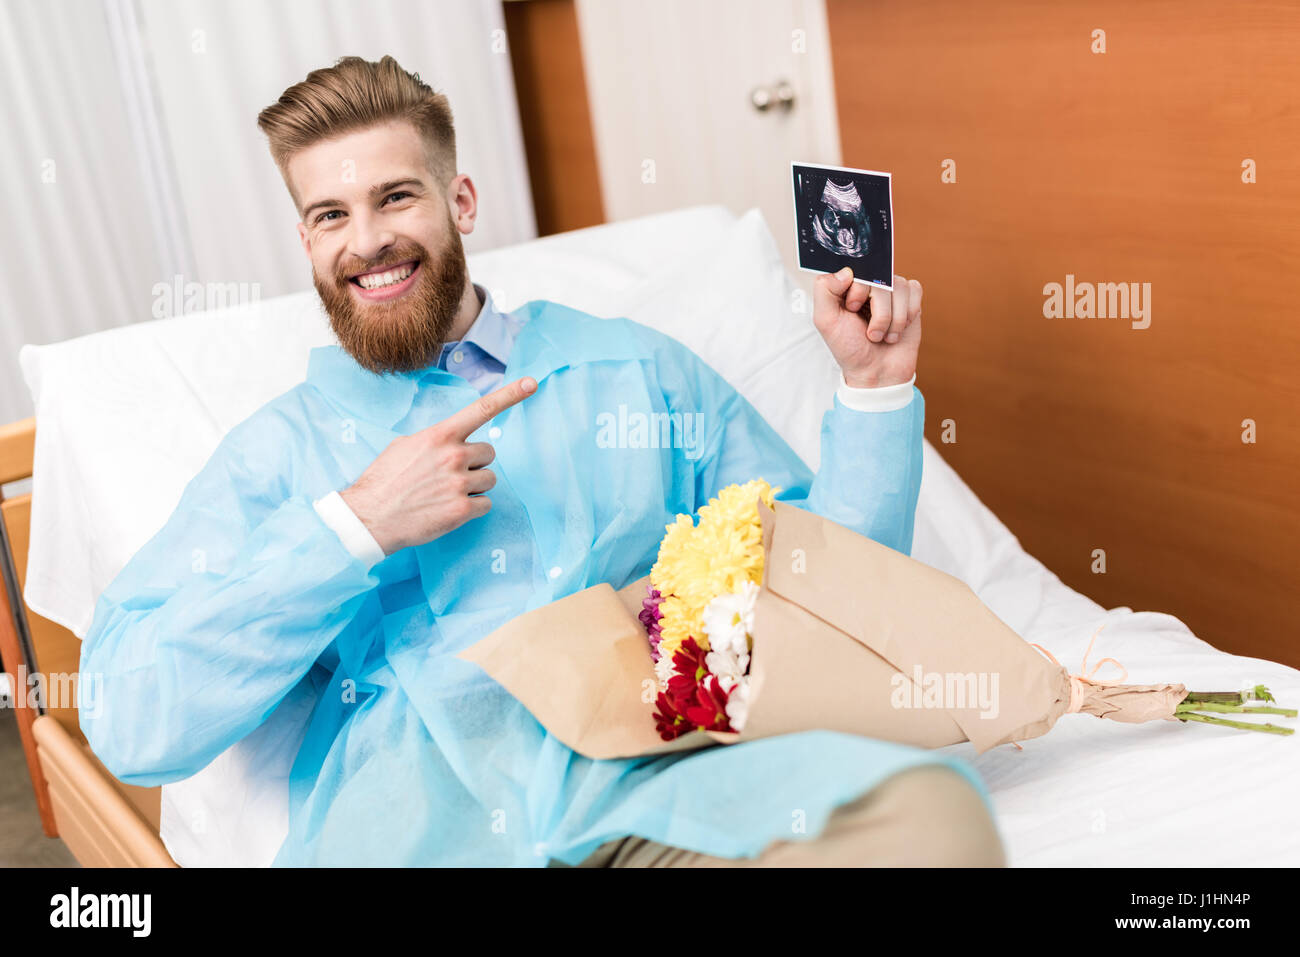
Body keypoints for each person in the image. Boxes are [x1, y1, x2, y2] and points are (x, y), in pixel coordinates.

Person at [79, 55, 1004, 867]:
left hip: (659, 791)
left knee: (927, 816)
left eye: (395, 196)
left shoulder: (634, 371)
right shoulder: (279, 451)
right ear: (308, 241)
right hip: (429, 832)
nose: (366, 241)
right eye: (330, 214)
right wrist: (354, 526)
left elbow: (830, 592)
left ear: (462, 201)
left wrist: (873, 392)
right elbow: (130, 718)